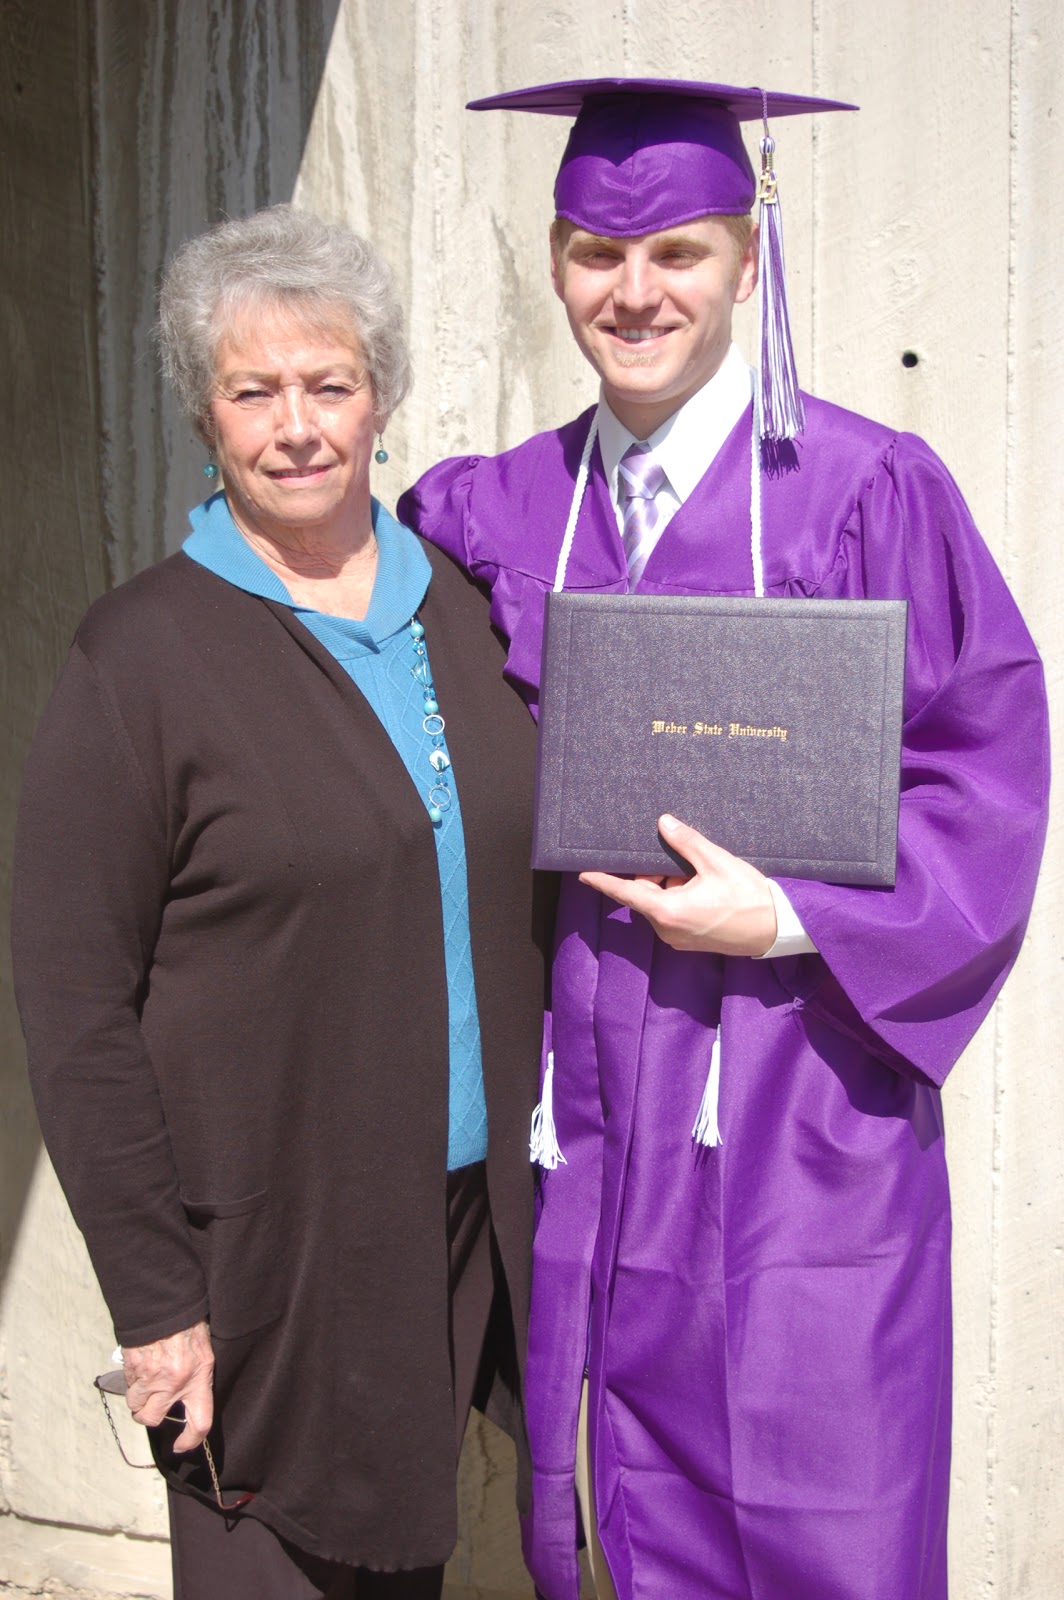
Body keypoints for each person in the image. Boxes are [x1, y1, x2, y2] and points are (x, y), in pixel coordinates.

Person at [398, 79, 1050, 1600]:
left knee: (825, 1499)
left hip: (799, 1091)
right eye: (593, 253)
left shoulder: (867, 490)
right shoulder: (487, 512)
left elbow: (987, 773)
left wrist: (792, 920)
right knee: (609, 1494)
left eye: (679, 252)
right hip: (586, 1095)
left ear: (751, 260)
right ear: (555, 265)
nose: (634, 294)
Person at [12, 204, 554, 1600]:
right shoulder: (142, 658)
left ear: (381, 396)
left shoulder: (471, 615)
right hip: (268, 1261)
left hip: (458, 1236)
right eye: (255, 390)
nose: (298, 425)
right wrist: (156, 1302)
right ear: (207, 412)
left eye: (331, 383)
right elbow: (76, 1009)